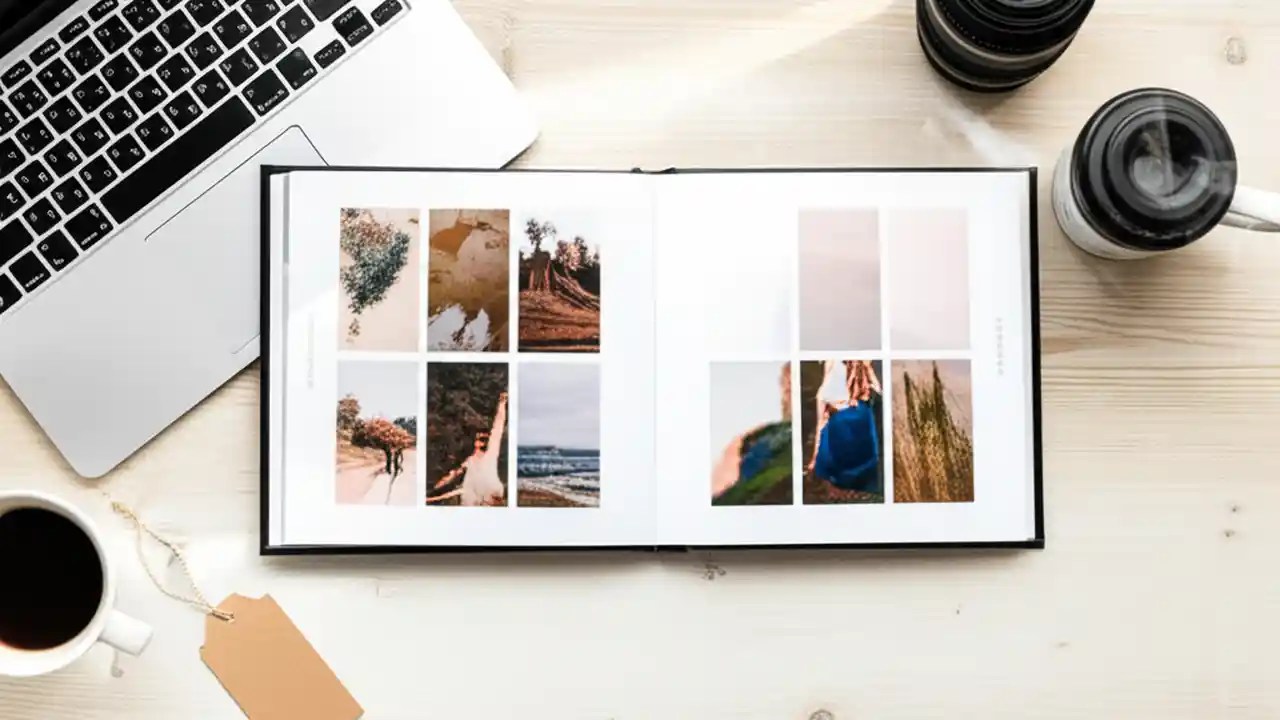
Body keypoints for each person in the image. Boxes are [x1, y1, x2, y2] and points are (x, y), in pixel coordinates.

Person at [808, 360, 882, 492]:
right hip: (863, 458)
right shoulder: (860, 393)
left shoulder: (830, 394)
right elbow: (878, 391)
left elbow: (821, 424)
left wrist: (815, 458)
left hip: (848, 460)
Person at [428, 391, 508, 506]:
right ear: (475, 442)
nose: (482, 441)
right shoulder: (470, 461)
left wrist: (502, 404)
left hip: (489, 496)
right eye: (480, 439)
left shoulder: (491, 453)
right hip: (475, 499)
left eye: (484, 439)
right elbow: (453, 474)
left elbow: (498, 427)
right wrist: (437, 487)